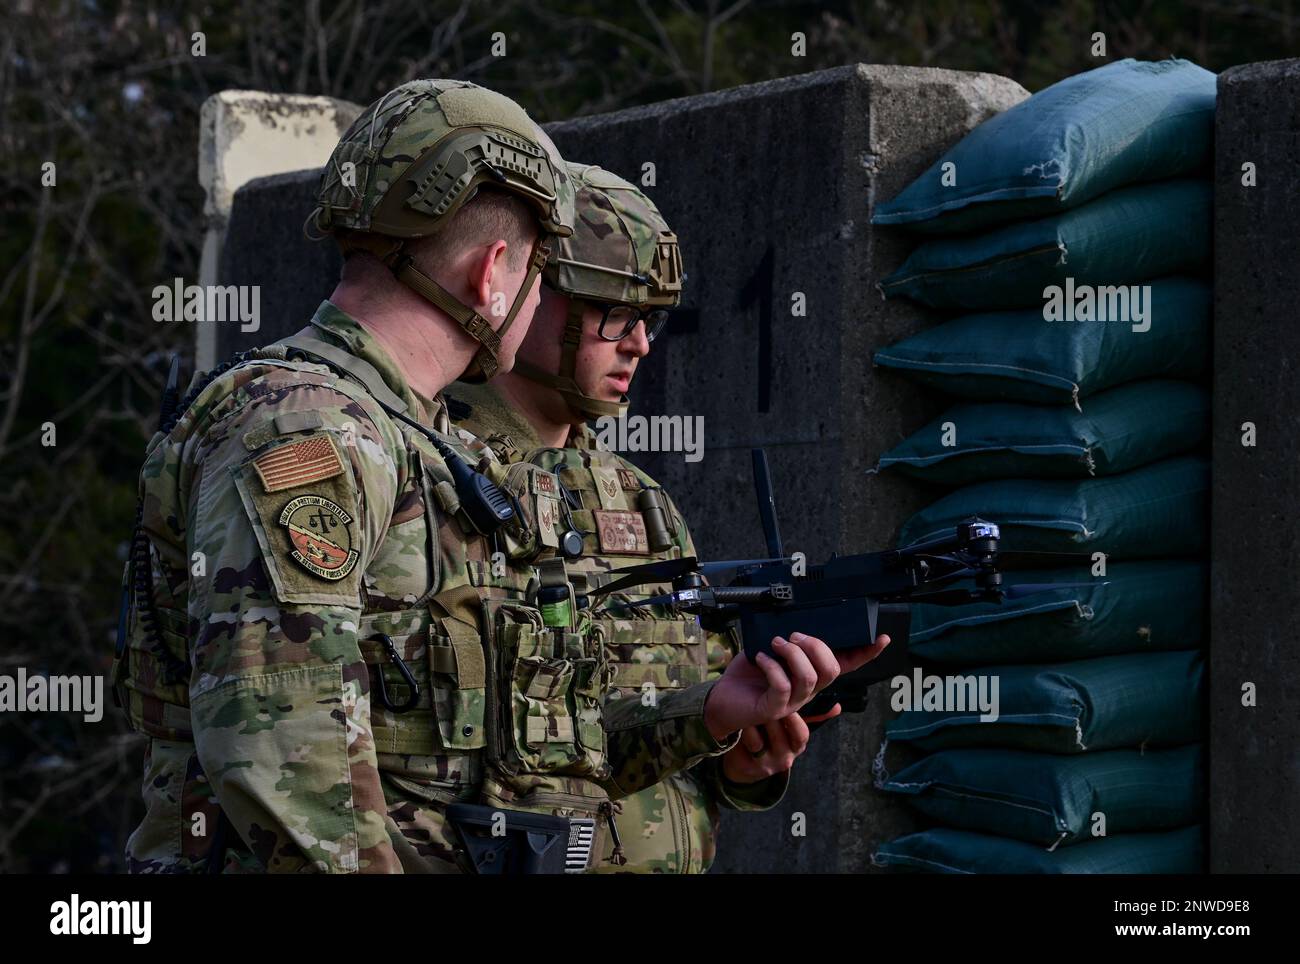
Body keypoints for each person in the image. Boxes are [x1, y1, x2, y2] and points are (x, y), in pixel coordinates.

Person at [113, 79, 881, 874]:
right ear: (494, 274)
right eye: (543, 276)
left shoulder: (422, 444)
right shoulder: (308, 429)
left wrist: (708, 716)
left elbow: (520, 753)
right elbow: (287, 768)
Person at [449, 163, 890, 872]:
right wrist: (705, 717)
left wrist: (743, 760)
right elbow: (481, 751)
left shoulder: (636, 497)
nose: (640, 344)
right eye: (615, 313)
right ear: (527, 295)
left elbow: (687, 724)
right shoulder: (447, 482)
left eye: (649, 319)